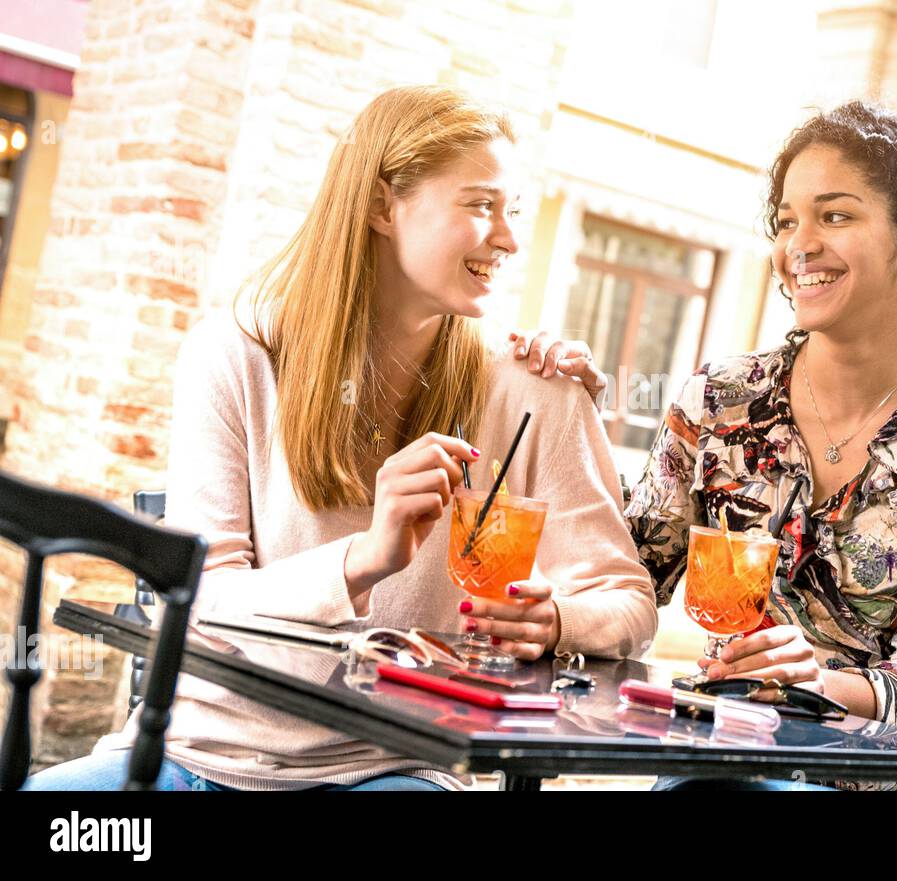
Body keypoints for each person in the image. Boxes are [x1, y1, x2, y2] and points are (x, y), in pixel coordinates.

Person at [25, 86, 656, 791]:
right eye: (481, 205)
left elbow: (628, 601)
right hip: (199, 752)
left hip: (390, 766)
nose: (508, 237)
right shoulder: (234, 356)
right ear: (384, 206)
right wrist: (362, 558)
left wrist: (556, 618)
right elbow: (205, 596)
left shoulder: (535, 387)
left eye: (512, 210)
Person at [516, 101, 897, 788]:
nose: (799, 244)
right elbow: (627, 576)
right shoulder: (722, 401)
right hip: (720, 762)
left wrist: (816, 680)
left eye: (835, 215)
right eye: (787, 221)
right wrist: (570, 421)